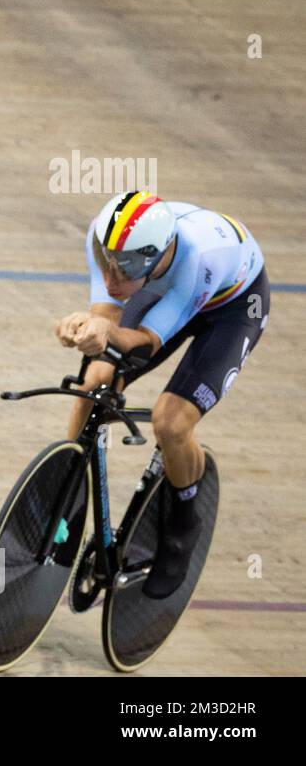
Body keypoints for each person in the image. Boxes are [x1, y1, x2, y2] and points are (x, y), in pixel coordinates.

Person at [56, 191, 268, 598]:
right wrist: (82, 327)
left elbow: (147, 342)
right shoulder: (107, 243)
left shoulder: (196, 260)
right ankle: (67, 490)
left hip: (233, 307)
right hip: (164, 288)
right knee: (92, 384)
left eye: (124, 269)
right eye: (107, 263)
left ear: (156, 256)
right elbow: (107, 317)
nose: (111, 280)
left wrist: (105, 331)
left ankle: (184, 523)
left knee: (170, 422)